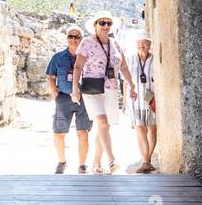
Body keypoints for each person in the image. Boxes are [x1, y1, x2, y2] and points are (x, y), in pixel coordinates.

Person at [71, 11, 136, 174]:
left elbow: (124, 67)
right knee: (102, 123)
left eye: (108, 23)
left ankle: (96, 163)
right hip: (92, 88)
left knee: (104, 127)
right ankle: (112, 161)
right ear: (95, 25)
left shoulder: (115, 43)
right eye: (102, 23)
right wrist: (74, 89)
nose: (106, 26)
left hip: (110, 88)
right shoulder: (87, 42)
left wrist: (132, 84)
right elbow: (78, 66)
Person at [46, 27, 91, 174]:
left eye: (77, 37)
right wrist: (56, 95)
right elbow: (51, 77)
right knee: (59, 132)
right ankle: (61, 162)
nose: (74, 39)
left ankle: (82, 165)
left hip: (84, 98)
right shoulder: (58, 57)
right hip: (64, 98)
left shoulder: (87, 56)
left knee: (83, 132)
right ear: (66, 38)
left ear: (82, 38)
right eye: (71, 36)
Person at [127, 31, 156, 173]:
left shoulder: (155, 60)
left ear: (149, 44)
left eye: (144, 42)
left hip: (152, 100)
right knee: (140, 129)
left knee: (152, 128)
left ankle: (147, 160)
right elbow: (125, 79)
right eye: (138, 43)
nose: (141, 45)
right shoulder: (130, 59)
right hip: (135, 99)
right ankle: (145, 161)